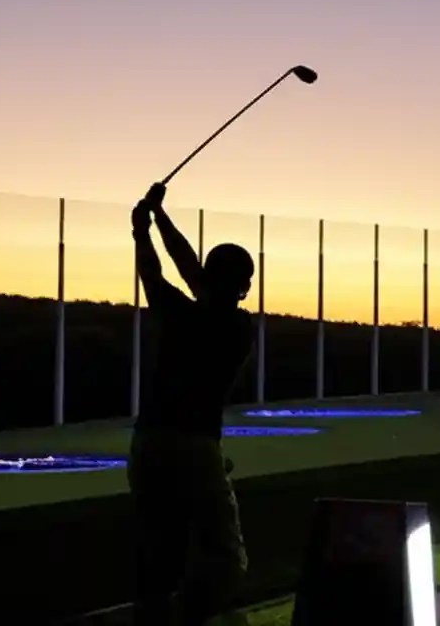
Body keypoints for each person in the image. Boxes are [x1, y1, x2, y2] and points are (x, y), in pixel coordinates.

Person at [129, 182, 256, 625]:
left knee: (156, 546)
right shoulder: (240, 328)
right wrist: (157, 221)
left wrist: (145, 228)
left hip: (147, 444)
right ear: (242, 286)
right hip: (197, 447)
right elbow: (191, 272)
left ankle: (156, 613)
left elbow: (163, 271)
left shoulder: (177, 313)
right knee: (224, 557)